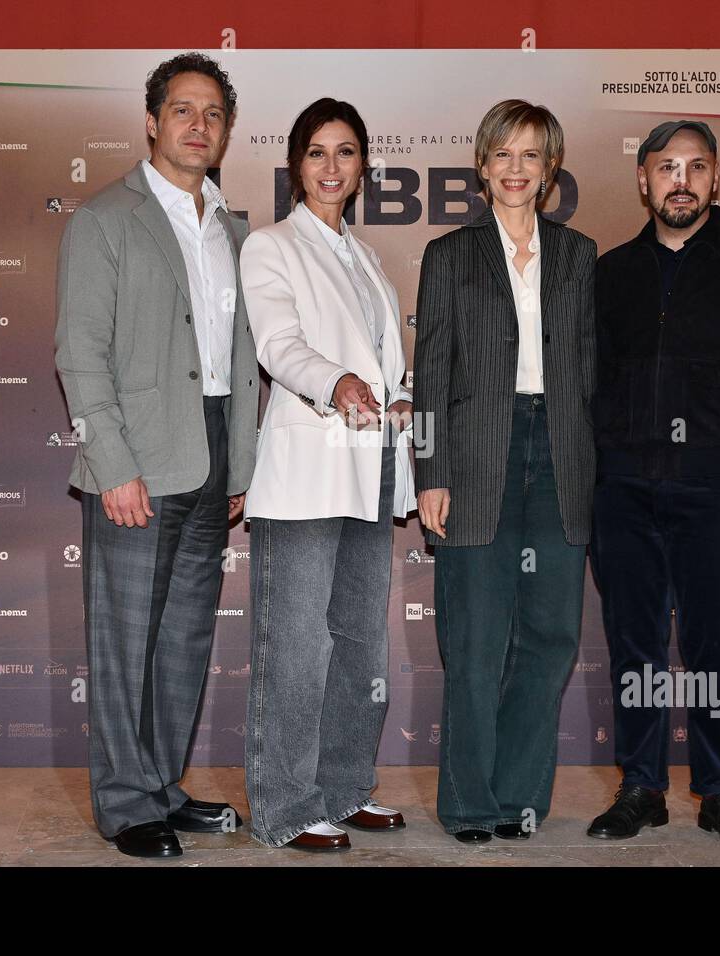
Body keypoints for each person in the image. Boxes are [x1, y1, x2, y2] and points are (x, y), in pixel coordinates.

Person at [53, 53, 258, 858]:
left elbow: (239, 360)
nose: (197, 125)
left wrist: (238, 466)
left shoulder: (234, 229)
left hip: (210, 452)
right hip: (137, 456)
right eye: (182, 110)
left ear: (226, 129)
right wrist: (113, 463)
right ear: (151, 120)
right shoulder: (105, 219)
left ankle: (163, 787)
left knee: (181, 639)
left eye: (212, 113)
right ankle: (125, 803)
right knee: (126, 638)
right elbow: (79, 353)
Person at [586, 120, 720, 849]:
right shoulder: (609, 273)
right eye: (666, 167)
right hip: (622, 492)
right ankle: (641, 789)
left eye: (696, 167)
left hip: (719, 493)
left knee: (716, 650)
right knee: (634, 649)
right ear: (643, 181)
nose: (681, 180)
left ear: (715, 180)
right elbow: (586, 387)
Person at [412, 99, 598, 844]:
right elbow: (429, 375)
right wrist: (431, 470)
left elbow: (591, 374)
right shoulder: (449, 255)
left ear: (550, 170)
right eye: (504, 155)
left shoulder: (581, 255)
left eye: (532, 156)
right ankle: (467, 804)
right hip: (477, 457)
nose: (517, 170)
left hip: (562, 457)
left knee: (550, 639)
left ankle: (520, 800)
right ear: (482, 166)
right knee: (476, 640)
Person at [238, 98, 417, 851]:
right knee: (298, 648)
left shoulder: (366, 257)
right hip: (309, 470)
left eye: (346, 153)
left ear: (363, 168)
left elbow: (385, 361)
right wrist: (335, 381)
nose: (332, 167)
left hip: (371, 470)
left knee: (359, 644)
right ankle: (284, 805)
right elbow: (278, 344)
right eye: (317, 152)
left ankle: (346, 789)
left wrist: (399, 394)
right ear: (295, 166)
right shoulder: (271, 246)